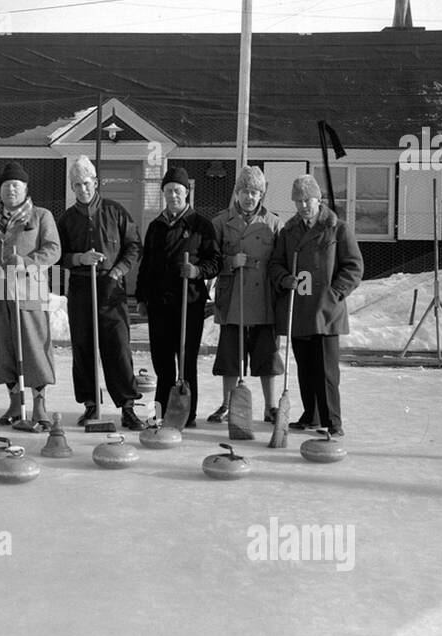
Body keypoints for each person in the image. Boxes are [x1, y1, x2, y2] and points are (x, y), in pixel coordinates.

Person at [268, 174, 364, 439]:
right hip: (298, 310)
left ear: (318, 198)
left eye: (307, 199)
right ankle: (311, 415)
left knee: (326, 371)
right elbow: (276, 263)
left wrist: (334, 293)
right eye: (297, 200)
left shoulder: (337, 228)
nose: (302, 205)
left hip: (325, 311)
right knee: (306, 367)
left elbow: (354, 267)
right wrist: (284, 278)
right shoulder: (289, 232)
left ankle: (333, 420)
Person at [56, 155, 144, 430]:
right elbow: (58, 254)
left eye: (86, 183)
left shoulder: (115, 211)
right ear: (72, 188)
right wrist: (79, 259)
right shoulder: (68, 219)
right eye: (77, 185)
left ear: (96, 182)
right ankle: (90, 404)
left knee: (117, 346)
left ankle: (127, 406)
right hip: (81, 288)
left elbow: (133, 245)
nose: (83, 189)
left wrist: (119, 270)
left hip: (111, 287)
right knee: (83, 347)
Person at [0, 161, 61, 428]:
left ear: (25, 188)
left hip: (29, 295)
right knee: (4, 352)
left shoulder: (40, 216)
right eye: (6, 185)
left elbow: (53, 249)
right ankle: (14, 403)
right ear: (0, 190)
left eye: (16, 185)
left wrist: (25, 262)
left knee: (35, 350)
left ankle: (39, 406)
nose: (11, 189)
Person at [136, 166, 220, 427]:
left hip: (189, 302)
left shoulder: (200, 226)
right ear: (164, 193)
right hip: (159, 303)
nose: (173, 195)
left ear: (187, 193)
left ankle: (187, 413)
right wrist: (141, 297)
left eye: (178, 191)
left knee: (186, 361)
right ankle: (159, 413)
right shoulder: (156, 226)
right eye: (169, 191)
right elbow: (146, 264)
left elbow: (215, 261)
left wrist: (197, 271)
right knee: (162, 364)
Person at [207, 165, 283, 424]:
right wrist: (230, 261)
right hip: (233, 299)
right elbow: (210, 260)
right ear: (236, 192)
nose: (249, 197)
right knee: (230, 356)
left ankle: (270, 407)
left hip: (264, 302)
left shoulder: (273, 223)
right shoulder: (220, 222)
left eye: (255, 192)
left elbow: (281, 261)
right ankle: (228, 404)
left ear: (261, 195)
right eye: (244, 191)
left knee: (267, 357)